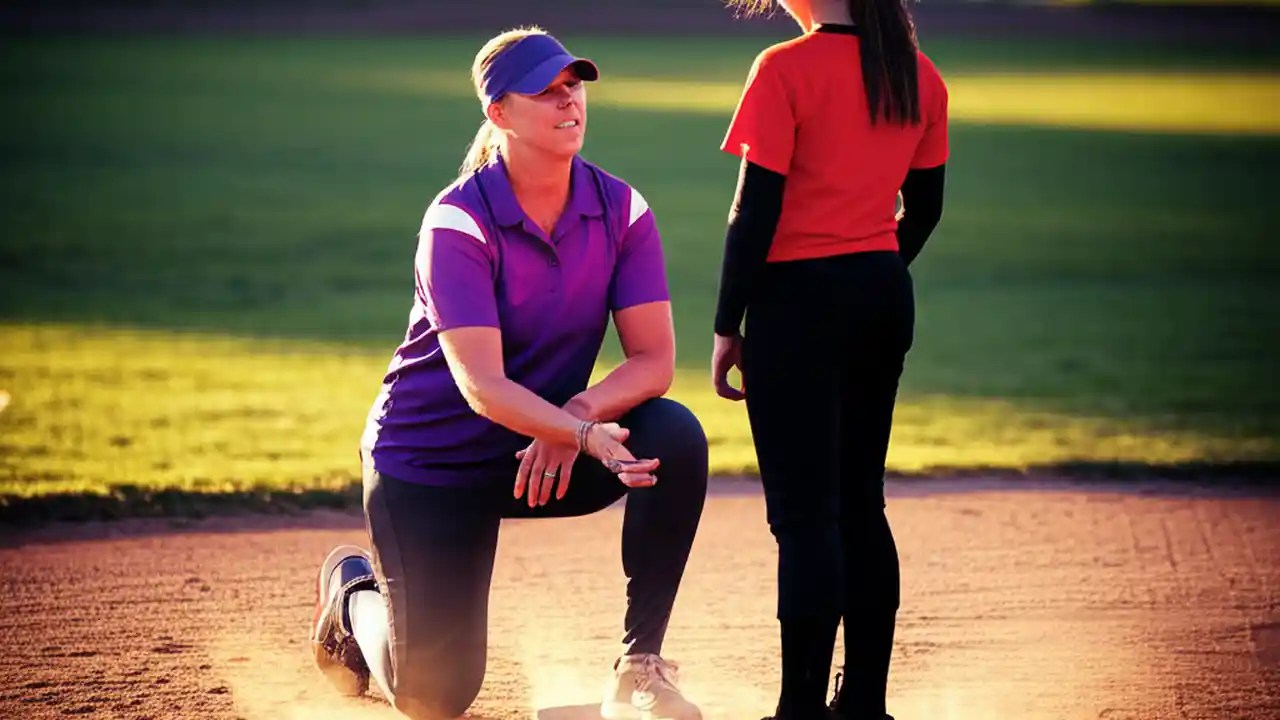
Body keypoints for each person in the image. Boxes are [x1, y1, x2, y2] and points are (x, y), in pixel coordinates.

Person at [310, 27, 708, 720]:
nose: (569, 103)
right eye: (545, 93)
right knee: (433, 697)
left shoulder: (622, 210)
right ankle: (352, 599)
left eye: (573, 87)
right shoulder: (459, 221)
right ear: (498, 113)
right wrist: (579, 433)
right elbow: (481, 385)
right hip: (431, 461)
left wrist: (575, 418)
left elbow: (656, 361)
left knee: (672, 436)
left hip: (539, 447)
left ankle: (639, 666)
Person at [712, 1, 949, 718]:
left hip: (797, 305)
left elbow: (753, 214)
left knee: (806, 518)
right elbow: (927, 208)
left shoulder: (784, 68)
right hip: (882, 297)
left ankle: (799, 711)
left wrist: (729, 324)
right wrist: (870, 267)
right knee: (858, 506)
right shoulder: (918, 72)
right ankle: (865, 708)